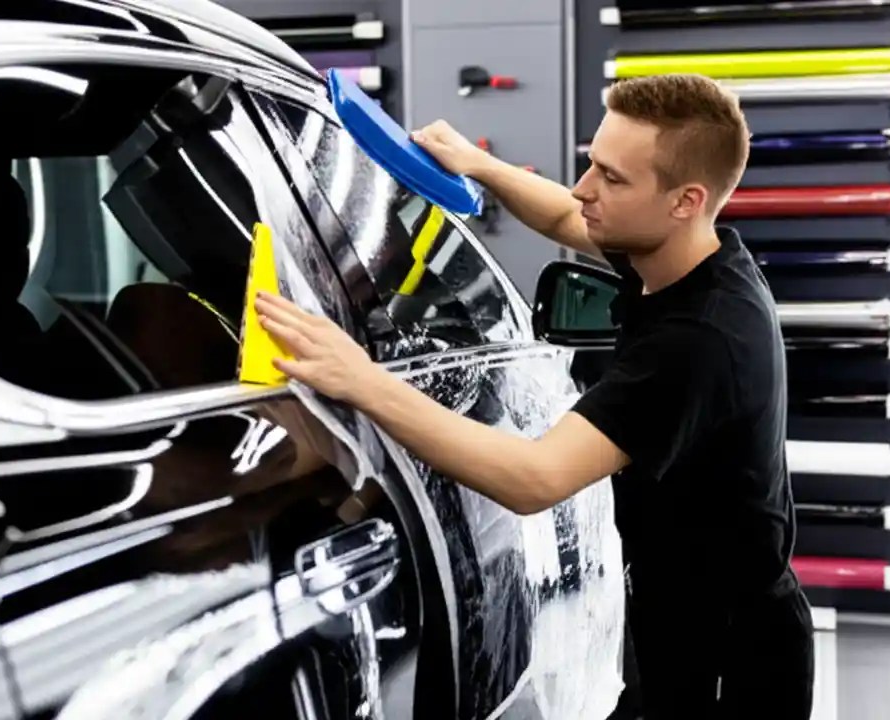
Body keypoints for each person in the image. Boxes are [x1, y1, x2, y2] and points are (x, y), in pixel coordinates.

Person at [254, 73, 814, 718]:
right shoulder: (676, 253)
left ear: (685, 201)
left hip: (728, 663)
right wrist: (477, 164)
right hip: (676, 621)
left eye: (612, 177)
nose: (585, 189)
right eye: (591, 164)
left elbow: (535, 477)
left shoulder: (702, 341)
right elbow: (559, 213)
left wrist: (361, 379)